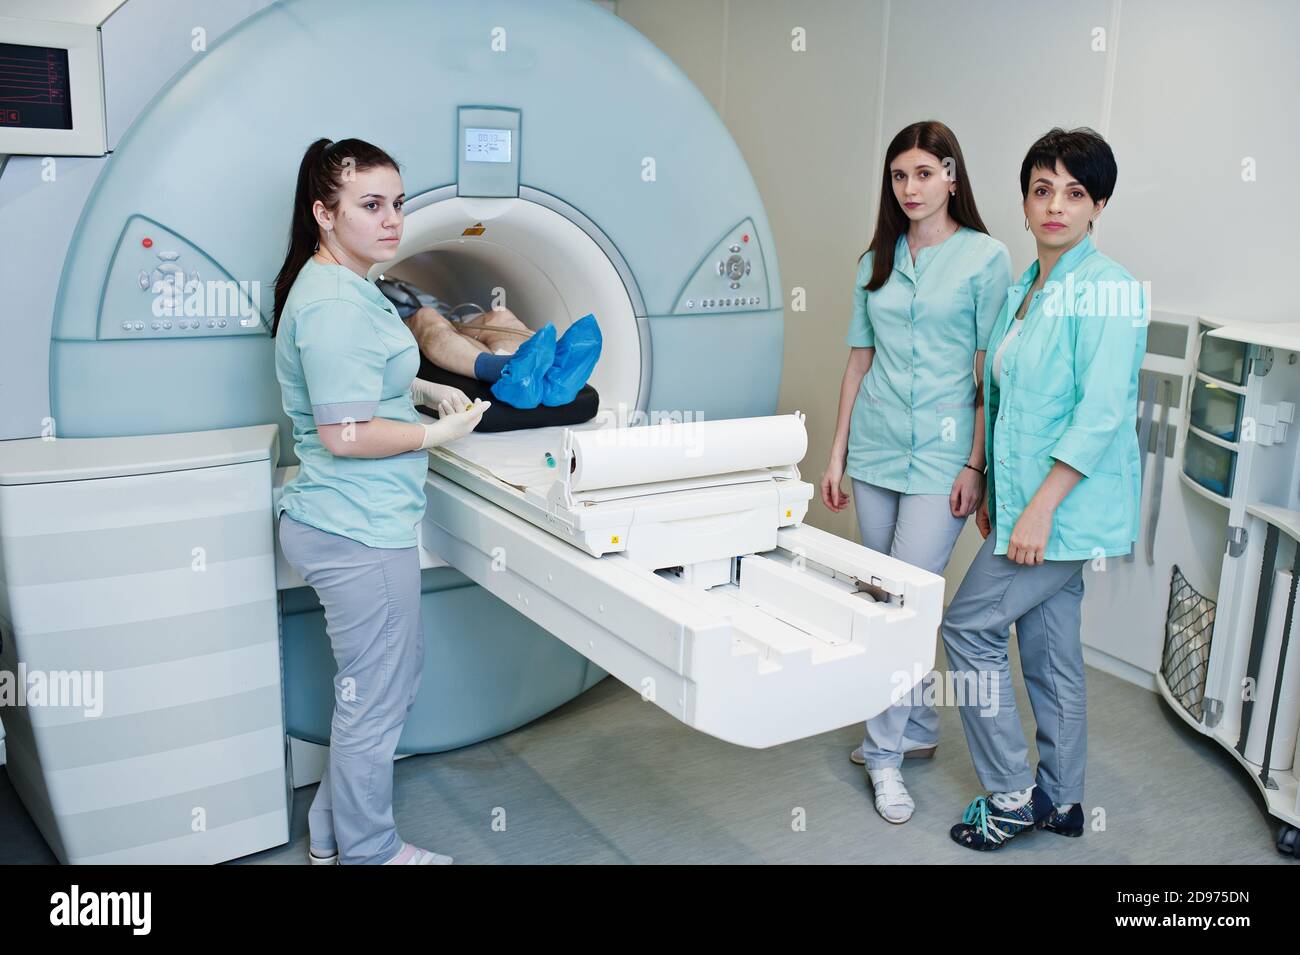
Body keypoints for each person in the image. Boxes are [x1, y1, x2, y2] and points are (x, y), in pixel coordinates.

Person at [271, 137, 488, 865]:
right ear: (324, 214)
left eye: (397, 203)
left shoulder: (344, 285)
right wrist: (435, 436)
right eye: (370, 205)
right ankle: (371, 852)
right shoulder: (332, 303)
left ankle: (332, 833)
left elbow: (358, 390)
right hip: (357, 528)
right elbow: (344, 431)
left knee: (381, 686)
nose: (392, 219)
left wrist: (421, 389)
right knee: (376, 700)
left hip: (346, 520)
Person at [943, 127, 1146, 850]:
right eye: (1041, 189)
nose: (1055, 205)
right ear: (1025, 203)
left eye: (1074, 192)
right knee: (1051, 646)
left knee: (967, 628)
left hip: (1064, 511)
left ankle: (1007, 795)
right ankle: (1061, 799)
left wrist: (1038, 507)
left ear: (1098, 206)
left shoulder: (1111, 291)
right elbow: (1003, 399)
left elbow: (1099, 414)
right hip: (1027, 506)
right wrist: (997, 486)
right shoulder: (1025, 289)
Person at [821, 120, 1011, 824]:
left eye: (925, 173)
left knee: (901, 601)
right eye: (900, 175)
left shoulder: (986, 259)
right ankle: (920, 726)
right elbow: (857, 361)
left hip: (942, 457)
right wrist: (837, 450)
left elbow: (990, 368)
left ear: (952, 176)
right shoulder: (876, 256)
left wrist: (976, 462)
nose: (911, 187)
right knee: (885, 596)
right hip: (873, 448)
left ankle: (885, 756)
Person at [376, 275, 602, 409]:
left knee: (500, 314)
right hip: (405, 320)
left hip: (449, 312)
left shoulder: (396, 278)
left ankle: (552, 376)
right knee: (427, 318)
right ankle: (506, 371)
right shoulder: (357, 285)